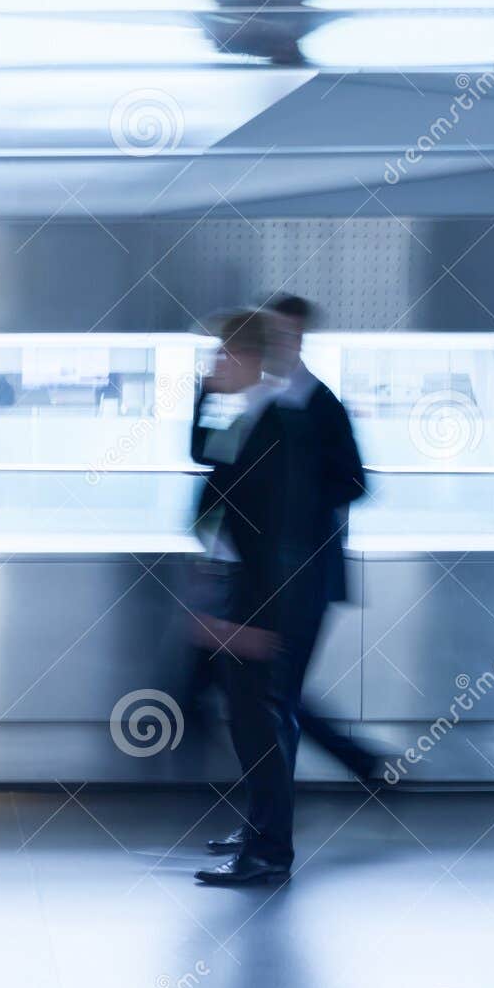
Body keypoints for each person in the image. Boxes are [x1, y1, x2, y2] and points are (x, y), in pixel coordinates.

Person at [190, 311, 303, 886]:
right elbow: (204, 464)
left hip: (259, 596)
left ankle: (268, 853)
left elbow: (272, 535)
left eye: (221, 356)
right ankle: (262, 836)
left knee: (257, 726)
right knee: (250, 723)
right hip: (243, 587)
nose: (214, 366)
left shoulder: (274, 428)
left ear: (248, 358)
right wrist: (202, 396)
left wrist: (256, 618)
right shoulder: (250, 419)